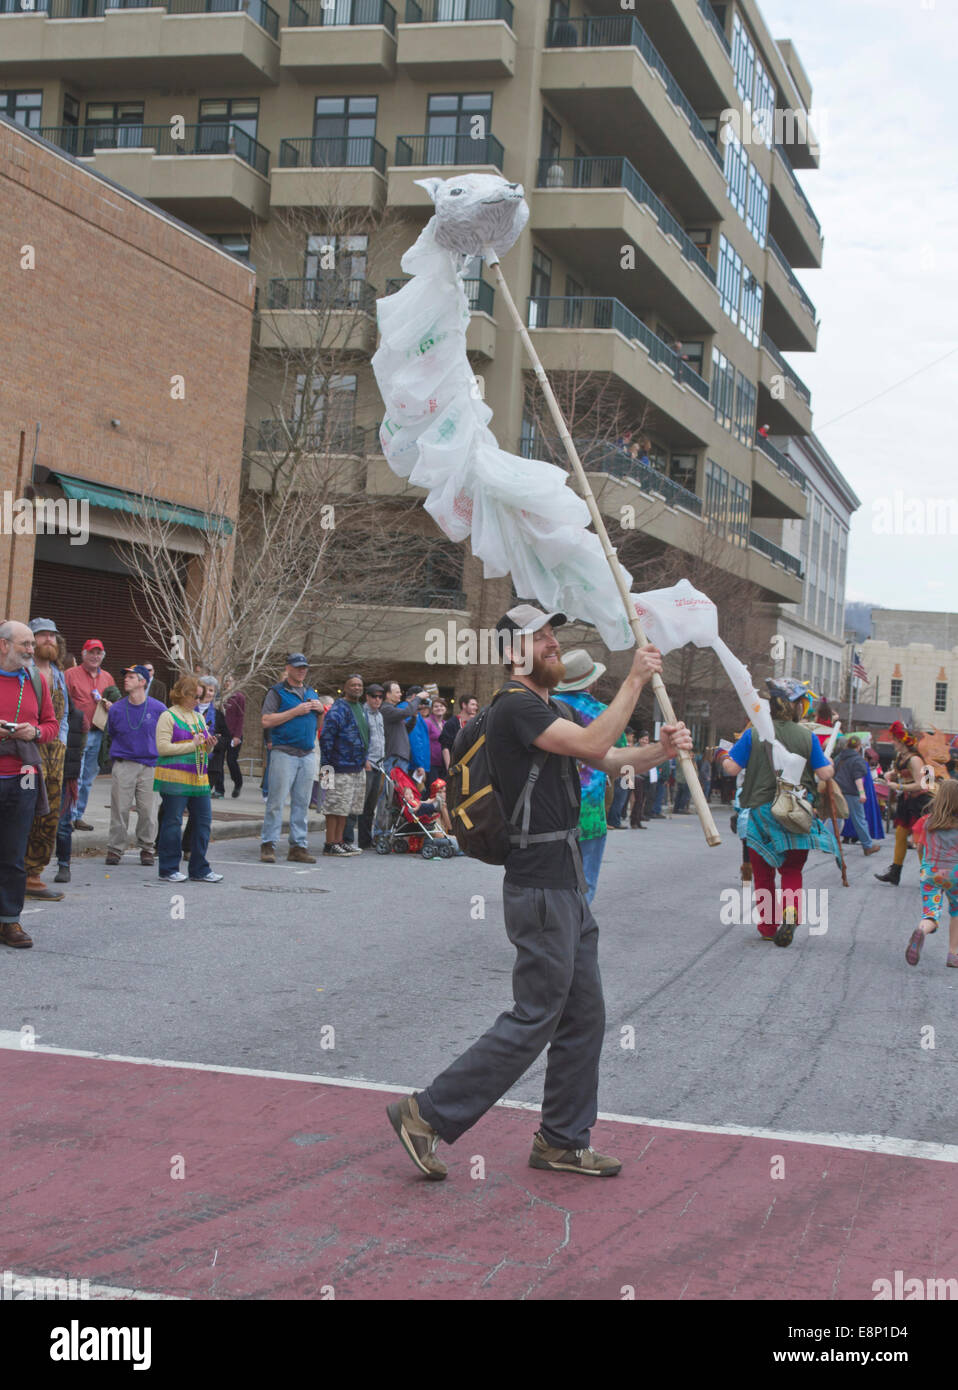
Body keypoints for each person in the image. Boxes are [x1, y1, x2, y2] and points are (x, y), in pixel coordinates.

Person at [386, 603, 691, 1181]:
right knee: (536, 1017)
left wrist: (658, 753)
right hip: (541, 884)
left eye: (552, 634)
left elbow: (600, 754)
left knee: (584, 1017)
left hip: (565, 879)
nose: (551, 643)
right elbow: (594, 740)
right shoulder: (515, 706)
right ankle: (424, 1114)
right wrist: (633, 678)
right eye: (538, 637)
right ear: (511, 654)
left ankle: (562, 1139)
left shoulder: (546, 706)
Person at [722, 677, 837, 946]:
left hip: (761, 811)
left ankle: (768, 927)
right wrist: (829, 762)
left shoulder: (753, 733)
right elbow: (824, 774)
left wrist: (723, 755)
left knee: (763, 873)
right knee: (792, 870)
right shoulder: (807, 736)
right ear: (797, 706)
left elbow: (731, 769)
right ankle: (791, 909)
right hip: (796, 811)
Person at [0, 621, 60, 948]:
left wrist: (34, 732)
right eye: (24, 643)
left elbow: (51, 725)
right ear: (3, 645)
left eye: (31, 645)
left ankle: (10, 922)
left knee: (13, 853)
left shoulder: (35, 680)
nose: (30, 649)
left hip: (23, 777)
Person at [554, 648, 627, 904]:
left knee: (552, 880)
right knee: (586, 880)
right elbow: (622, 760)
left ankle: (553, 930)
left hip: (550, 810)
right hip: (591, 810)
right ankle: (575, 930)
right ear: (592, 681)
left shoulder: (546, 707)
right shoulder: (605, 714)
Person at [154, 673, 222, 884]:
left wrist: (209, 744)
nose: (198, 701)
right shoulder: (168, 716)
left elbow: (203, 747)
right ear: (183, 694)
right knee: (173, 821)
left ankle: (200, 868)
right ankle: (168, 868)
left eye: (200, 697)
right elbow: (162, 748)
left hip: (198, 776)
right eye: (195, 696)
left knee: (203, 821)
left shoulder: (198, 717)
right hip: (174, 777)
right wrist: (192, 744)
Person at [23, 618, 70, 902]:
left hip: (55, 755)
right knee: (25, 809)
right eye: (42, 636)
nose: (48, 641)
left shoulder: (58, 673)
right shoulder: (22, 671)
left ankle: (34, 874)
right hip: (28, 755)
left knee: (50, 814)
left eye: (52, 636)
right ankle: (15, 871)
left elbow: (62, 717)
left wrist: (62, 743)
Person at [259, 654, 322, 864]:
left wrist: (320, 711)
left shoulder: (311, 692)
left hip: (306, 753)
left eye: (304, 667)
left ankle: (298, 846)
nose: (301, 670)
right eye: (297, 667)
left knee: (302, 803)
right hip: (284, 752)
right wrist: (294, 711)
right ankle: (268, 844)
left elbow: (318, 723)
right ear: (288, 668)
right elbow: (266, 720)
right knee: (276, 801)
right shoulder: (277, 692)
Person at [104, 665, 166, 866]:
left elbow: (166, 734)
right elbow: (111, 732)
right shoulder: (116, 709)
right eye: (126, 677)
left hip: (150, 765)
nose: (126, 680)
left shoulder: (158, 709)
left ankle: (147, 848)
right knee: (119, 808)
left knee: (148, 810)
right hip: (124, 763)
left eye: (131, 677)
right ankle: (115, 848)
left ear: (142, 682)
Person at [905, 780, 958, 968]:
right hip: (955, 875)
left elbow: (919, 847)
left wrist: (924, 865)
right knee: (956, 912)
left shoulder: (928, 821)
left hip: (931, 873)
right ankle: (953, 954)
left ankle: (922, 929)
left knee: (931, 914)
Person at [874, 720, 933, 887]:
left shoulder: (915, 760)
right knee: (900, 835)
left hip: (920, 802)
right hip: (907, 801)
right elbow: (899, 771)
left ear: (900, 741)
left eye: (893, 739)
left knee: (920, 840)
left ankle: (927, 876)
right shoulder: (902, 756)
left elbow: (923, 784)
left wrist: (899, 786)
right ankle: (895, 873)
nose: (892, 741)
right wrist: (890, 774)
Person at [64, 638, 116, 828]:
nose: (95, 656)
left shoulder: (108, 678)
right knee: (74, 776)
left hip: (98, 734)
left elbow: (115, 702)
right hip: (77, 734)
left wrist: (112, 706)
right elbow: (62, 703)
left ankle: (78, 815)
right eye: (91, 652)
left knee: (88, 779)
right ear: (83, 654)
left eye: (98, 653)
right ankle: (67, 817)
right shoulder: (70, 674)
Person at [319, 674, 368, 858]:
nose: (356, 688)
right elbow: (326, 737)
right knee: (333, 806)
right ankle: (330, 843)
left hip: (356, 767)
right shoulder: (338, 709)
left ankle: (340, 841)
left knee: (346, 808)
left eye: (359, 685)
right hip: (337, 767)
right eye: (353, 685)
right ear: (345, 688)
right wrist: (326, 767)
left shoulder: (361, 709)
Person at [53, 698, 86, 885]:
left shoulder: (78, 717)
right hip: (37, 773)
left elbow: (79, 749)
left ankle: (64, 864)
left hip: (66, 774)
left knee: (63, 824)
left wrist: (72, 774)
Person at [833, 736, 881, 856]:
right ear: (859, 747)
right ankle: (867, 846)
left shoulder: (839, 757)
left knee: (836, 818)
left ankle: (830, 844)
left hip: (838, 791)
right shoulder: (857, 760)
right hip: (852, 793)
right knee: (859, 819)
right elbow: (858, 778)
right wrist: (862, 793)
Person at [209, 675, 246, 799]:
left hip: (234, 733)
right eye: (225, 681)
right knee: (218, 760)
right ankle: (219, 790)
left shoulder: (238, 697)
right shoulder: (219, 697)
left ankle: (238, 783)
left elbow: (240, 718)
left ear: (234, 682)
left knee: (231, 760)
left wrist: (237, 736)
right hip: (221, 733)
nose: (227, 683)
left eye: (230, 681)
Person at [359, 683, 386, 848]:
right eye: (374, 696)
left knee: (371, 805)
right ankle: (351, 839)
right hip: (367, 764)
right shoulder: (363, 713)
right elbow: (360, 738)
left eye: (380, 697)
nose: (377, 700)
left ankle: (365, 839)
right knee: (361, 804)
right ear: (367, 697)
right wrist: (364, 759)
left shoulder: (379, 715)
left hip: (379, 764)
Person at [380, 680, 418, 772]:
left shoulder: (393, 709)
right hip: (394, 757)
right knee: (393, 786)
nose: (400, 694)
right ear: (388, 694)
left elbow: (406, 730)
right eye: (397, 692)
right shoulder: (386, 709)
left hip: (400, 757)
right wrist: (418, 698)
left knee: (399, 786)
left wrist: (414, 718)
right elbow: (406, 712)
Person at [440, 695, 478, 772]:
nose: (476, 707)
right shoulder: (451, 723)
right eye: (473, 704)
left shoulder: (475, 724)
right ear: (464, 705)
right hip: (455, 767)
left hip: (472, 768)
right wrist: (449, 769)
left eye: (476, 705)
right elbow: (445, 747)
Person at [425, 697, 448, 788]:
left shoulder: (446, 724)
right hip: (431, 763)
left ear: (445, 708)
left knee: (442, 791)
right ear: (432, 709)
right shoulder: (427, 722)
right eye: (436, 706)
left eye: (441, 706)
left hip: (444, 763)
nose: (439, 708)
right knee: (432, 791)